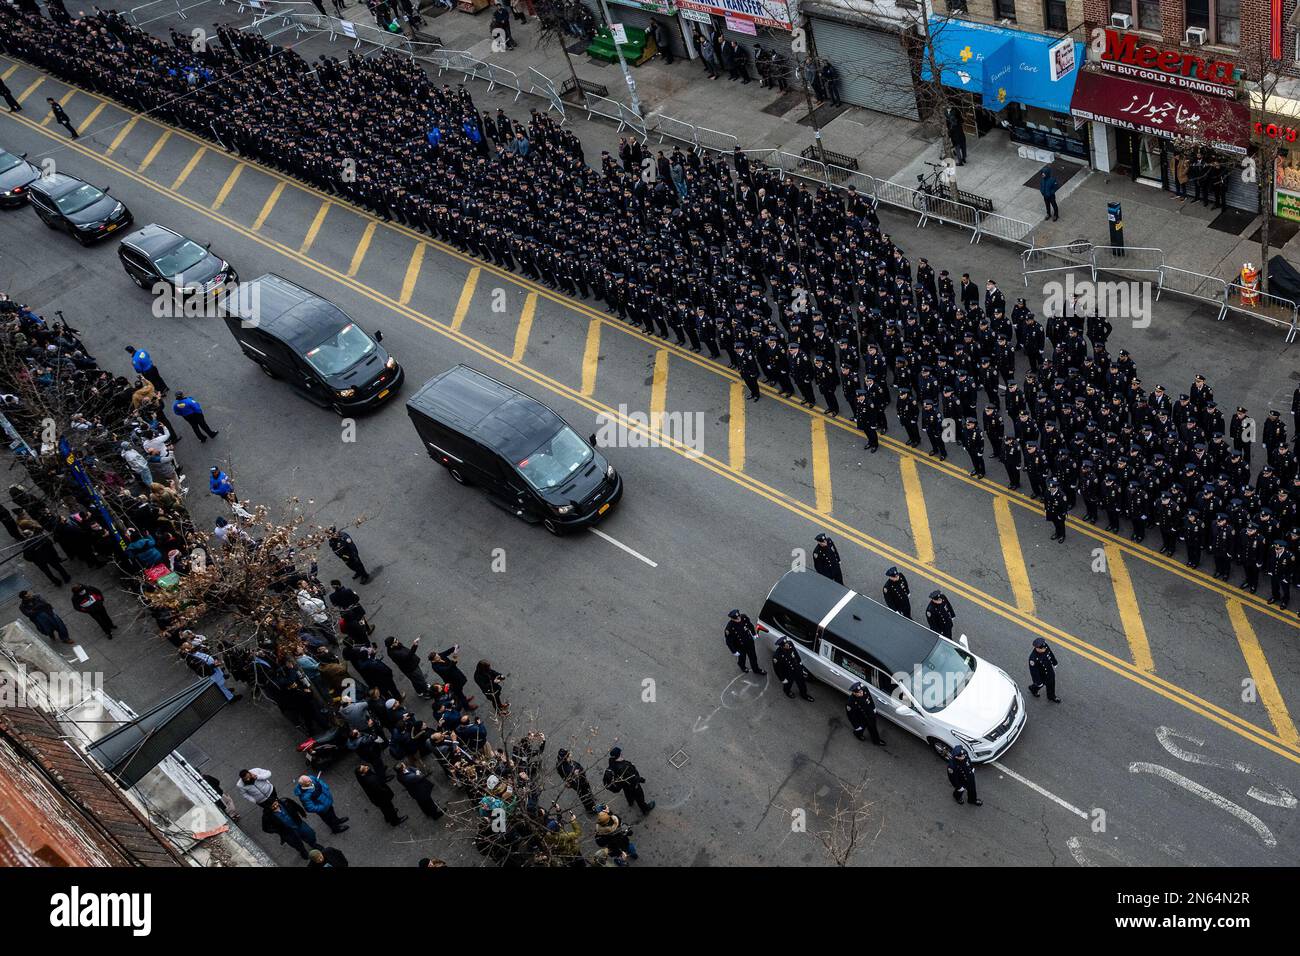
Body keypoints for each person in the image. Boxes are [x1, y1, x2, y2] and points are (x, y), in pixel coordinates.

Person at [604, 746, 655, 814]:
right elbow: (633, 778)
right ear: (618, 755)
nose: (622, 754)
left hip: (625, 784)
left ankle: (630, 802)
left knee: (628, 793)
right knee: (640, 797)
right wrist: (641, 780)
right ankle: (645, 809)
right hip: (633, 785)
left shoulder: (612, 762)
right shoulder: (624, 768)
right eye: (621, 753)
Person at [556, 748, 599, 814]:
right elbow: (565, 776)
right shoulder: (564, 767)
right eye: (568, 754)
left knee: (587, 789)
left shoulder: (567, 762)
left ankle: (591, 797)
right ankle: (590, 809)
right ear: (565, 758)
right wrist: (574, 775)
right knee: (584, 796)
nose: (570, 755)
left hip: (582, 779)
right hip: (578, 784)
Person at [724, 609, 766, 675]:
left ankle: (756, 669)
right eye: (736, 619)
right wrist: (734, 651)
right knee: (742, 658)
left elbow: (750, 625)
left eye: (739, 617)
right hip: (740, 646)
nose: (739, 619)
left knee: (753, 657)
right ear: (732, 619)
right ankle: (742, 667)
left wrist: (754, 634)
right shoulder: (729, 628)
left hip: (749, 642)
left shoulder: (743, 617)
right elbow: (729, 642)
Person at [772, 636, 814, 701]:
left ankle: (804, 694)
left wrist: (800, 663)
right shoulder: (777, 656)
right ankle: (787, 691)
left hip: (796, 668)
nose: (788, 646)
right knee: (788, 684)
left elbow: (795, 653)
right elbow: (777, 669)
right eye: (786, 645)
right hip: (787, 672)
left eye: (787, 644)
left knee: (802, 682)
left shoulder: (790, 643)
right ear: (782, 647)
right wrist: (782, 679)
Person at [846, 681, 885, 745]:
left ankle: (876, 741)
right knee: (861, 729)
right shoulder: (850, 702)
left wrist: (873, 708)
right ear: (854, 693)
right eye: (859, 692)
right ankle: (857, 734)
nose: (862, 693)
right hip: (861, 719)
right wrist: (856, 726)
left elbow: (870, 699)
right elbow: (851, 716)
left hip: (870, 714)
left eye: (861, 691)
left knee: (873, 728)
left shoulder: (864, 689)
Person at [1027, 637, 1061, 702]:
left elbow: (1050, 653)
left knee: (1051, 683)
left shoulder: (1045, 646)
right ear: (1037, 648)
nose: (1044, 649)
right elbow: (1034, 672)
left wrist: (1054, 662)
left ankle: (1051, 696)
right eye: (1042, 649)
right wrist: (1037, 681)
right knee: (1040, 685)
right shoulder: (1033, 658)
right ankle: (1033, 689)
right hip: (1041, 674)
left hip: (1049, 670)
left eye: (1044, 648)